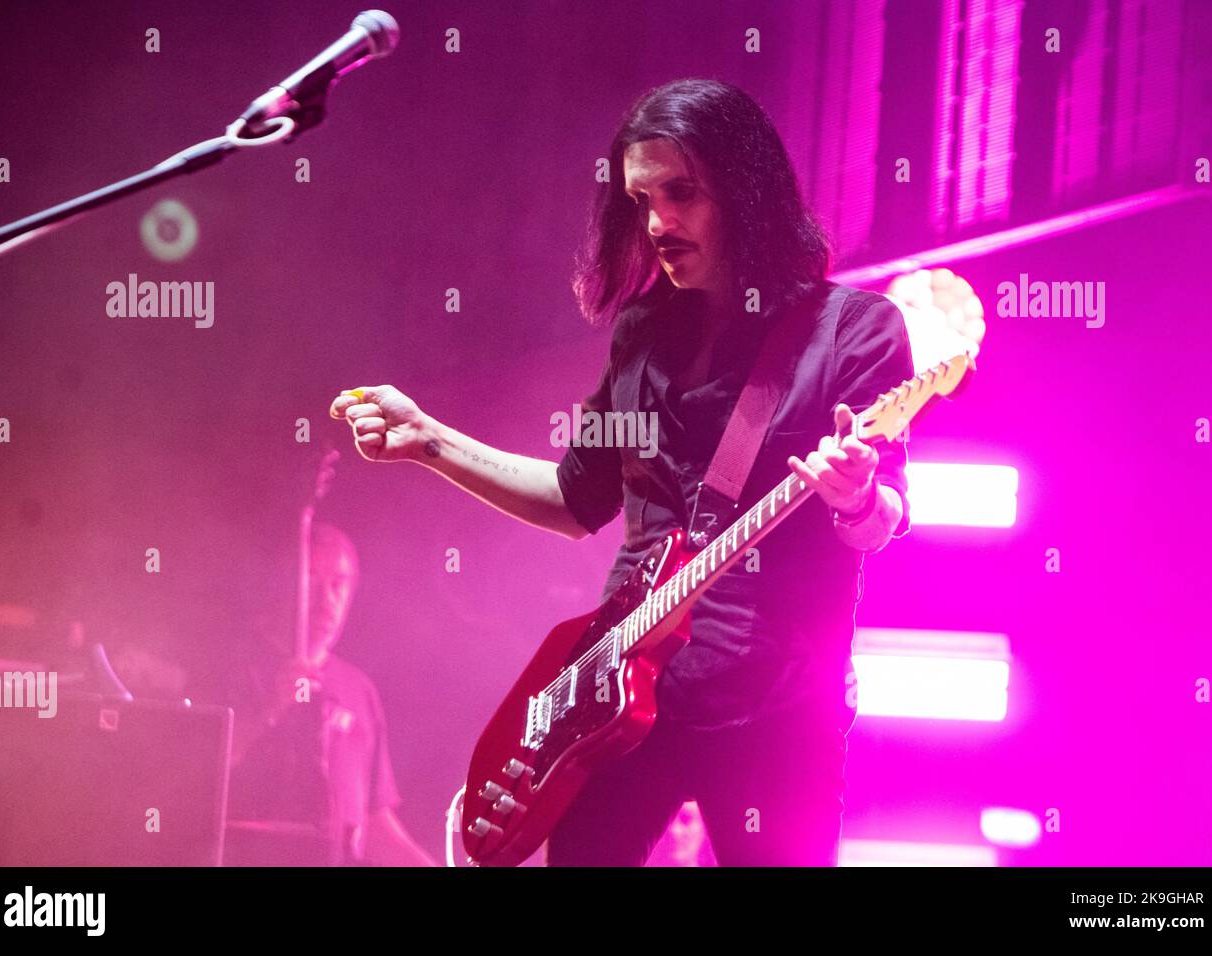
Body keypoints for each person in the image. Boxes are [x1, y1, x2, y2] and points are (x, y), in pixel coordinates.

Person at [329, 78, 913, 866]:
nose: (658, 224)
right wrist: (426, 439)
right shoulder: (643, 333)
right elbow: (576, 500)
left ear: (747, 192)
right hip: (616, 695)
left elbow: (882, 521)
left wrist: (857, 497)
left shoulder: (850, 330)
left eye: (682, 194)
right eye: (641, 200)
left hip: (775, 709)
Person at [225, 522, 435, 866]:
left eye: (339, 583)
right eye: (312, 581)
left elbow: (373, 824)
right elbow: (194, 777)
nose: (328, 600)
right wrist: (269, 710)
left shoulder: (358, 689)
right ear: (284, 585)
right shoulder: (235, 667)